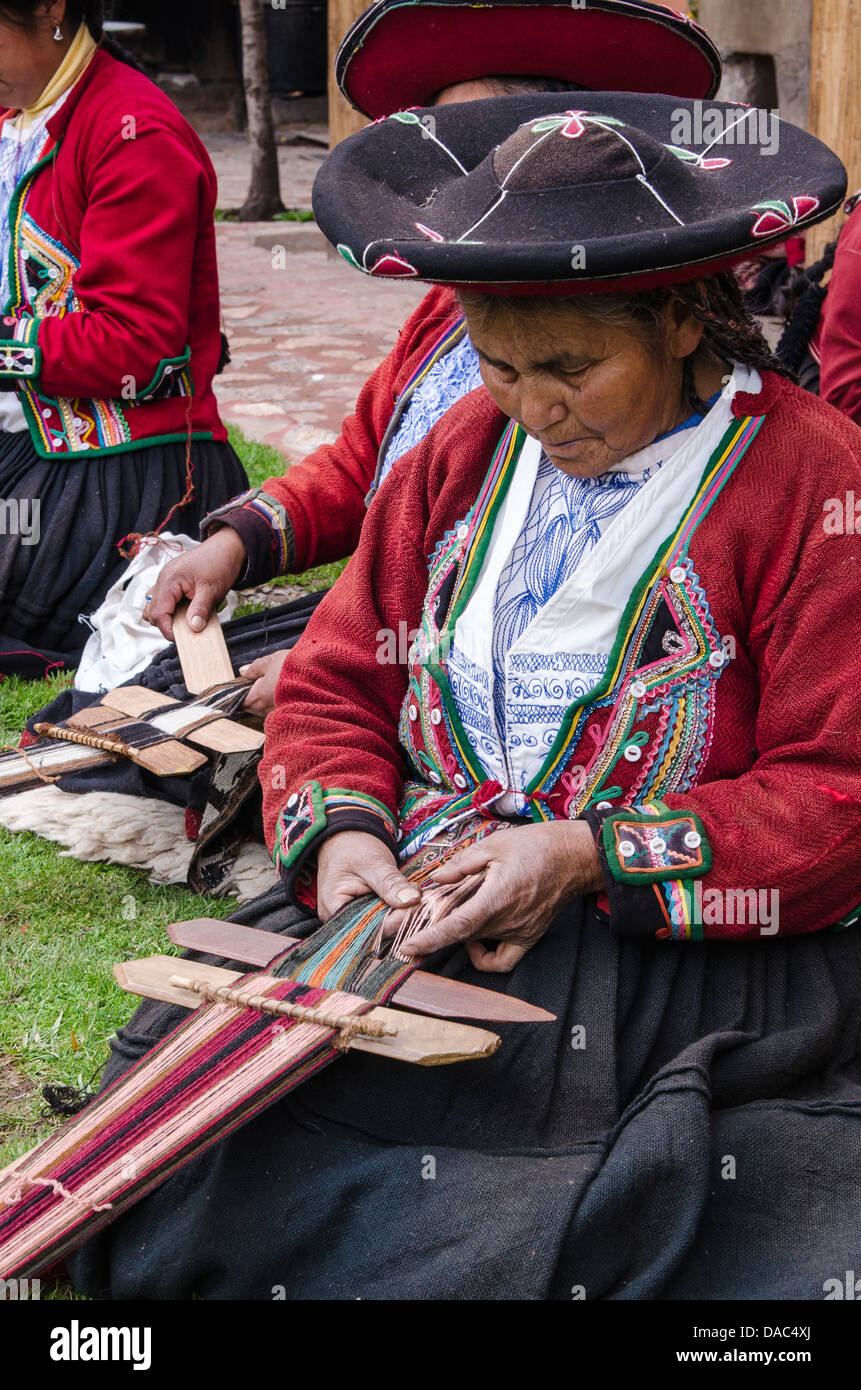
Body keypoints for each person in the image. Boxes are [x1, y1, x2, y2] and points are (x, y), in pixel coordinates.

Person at [67, 93, 861, 1301]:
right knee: (200, 1098)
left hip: (667, 943)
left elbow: (835, 793)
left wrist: (585, 854)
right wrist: (343, 836)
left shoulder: (811, 478)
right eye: (500, 365)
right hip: (422, 892)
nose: (535, 407)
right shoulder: (464, 451)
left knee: (556, 1161)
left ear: (683, 320)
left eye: (573, 368)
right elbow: (338, 677)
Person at [142, 0, 722, 717]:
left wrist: (356, 671)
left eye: (481, 150)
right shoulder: (447, 313)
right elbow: (366, 460)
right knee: (165, 691)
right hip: (391, 615)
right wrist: (238, 540)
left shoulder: (670, 384)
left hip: (500, 656)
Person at [0, 0, 247, 676]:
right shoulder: (17, 121)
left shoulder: (133, 133)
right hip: (31, 440)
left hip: (120, 468)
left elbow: (136, 342)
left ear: (50, 6)